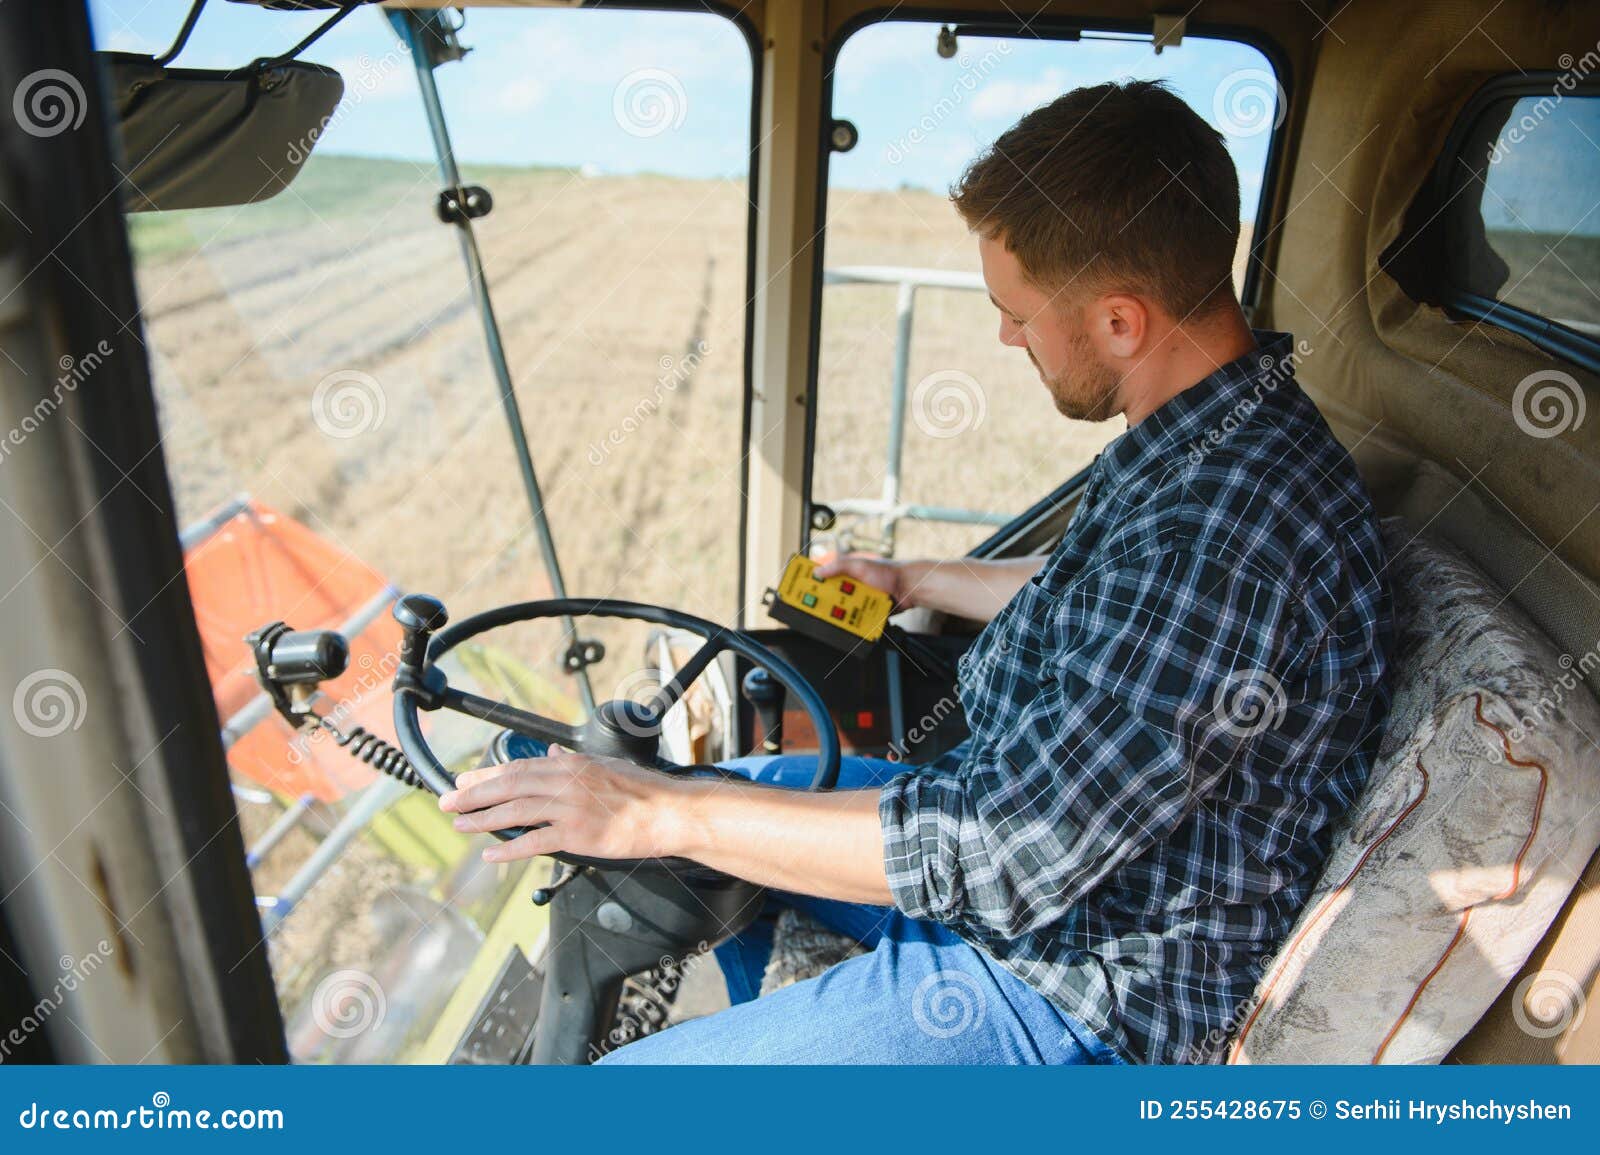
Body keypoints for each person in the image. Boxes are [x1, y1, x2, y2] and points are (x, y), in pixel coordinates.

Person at [437, 79, 1395, 1065]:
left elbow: (1011, 848)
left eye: (1016, 313)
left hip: (1081, 982)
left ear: (1120, 323)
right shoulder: (1207, 434)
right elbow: (1108, 607)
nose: (1007, 336)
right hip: (1032, 853)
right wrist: (913, 578)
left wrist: (651, 809)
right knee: (730, 793)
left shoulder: (1225, 532)